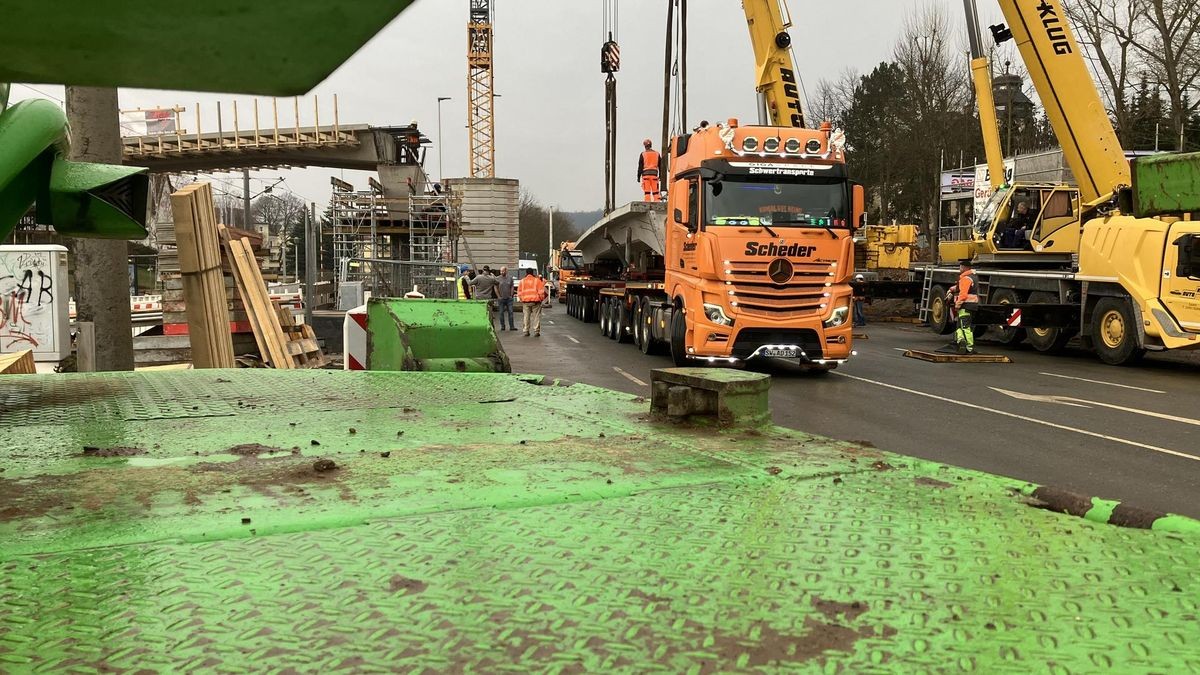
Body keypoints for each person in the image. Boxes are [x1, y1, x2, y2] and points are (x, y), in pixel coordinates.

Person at [951, 259, 979, 355]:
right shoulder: (972, 277)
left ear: (964, 267)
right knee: (959, 326)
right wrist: (952, 289)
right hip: (971, 306)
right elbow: (961, 288)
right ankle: (961, 341)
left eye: (960, 267)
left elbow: (963, 294)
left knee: (965, 326)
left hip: (965, 306)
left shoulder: (965, 278)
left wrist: (957, 305)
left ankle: (969, 347)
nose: (959, 269)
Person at [517, 268, 548, 336]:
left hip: (526, 302)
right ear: (532, 273)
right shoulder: (537, 281)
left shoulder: (522, 281)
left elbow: (519, 292)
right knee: (536, 316)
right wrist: (541, 299)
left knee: (526, 316)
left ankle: (526, 331)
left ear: (526, 273)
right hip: (536, 302)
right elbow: (541, 292)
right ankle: (536, 331)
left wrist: (522, 299)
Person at [496, 266, 515, 331]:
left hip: (509, 299)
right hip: (501, 299)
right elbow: (495, 288)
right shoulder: (497, 278)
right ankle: (502, 326)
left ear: (506, 271)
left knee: (511, 312)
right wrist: (498, 296)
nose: (501, 272)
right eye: (500, 271)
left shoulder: (510, 278)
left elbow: (512, 286)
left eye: (503, 271)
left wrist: (511, 295)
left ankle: (512, 326)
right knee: (501, 313)